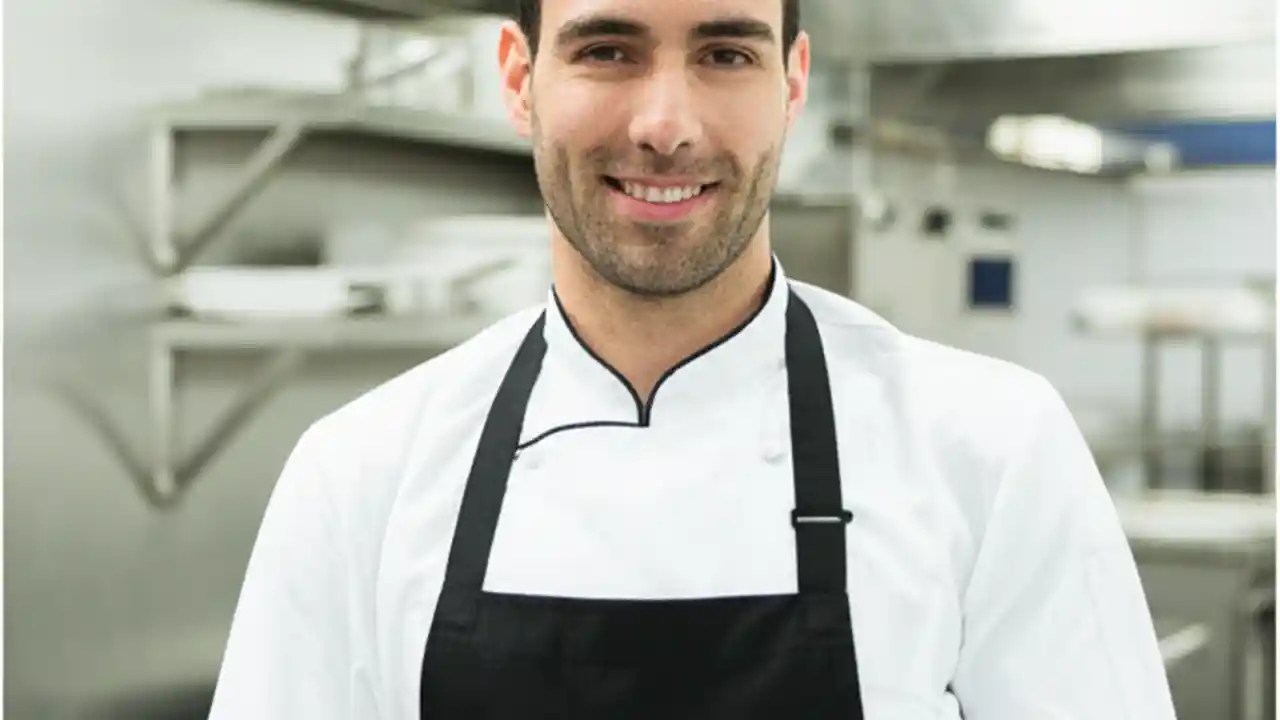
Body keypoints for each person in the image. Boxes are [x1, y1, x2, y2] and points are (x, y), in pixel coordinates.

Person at [209, 0, 1178, 717]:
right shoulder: (357, 480)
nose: (664, 124)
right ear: (518, 80)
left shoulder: (992, 455)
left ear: (790, 83)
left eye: (722, 52)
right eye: (606, 49)